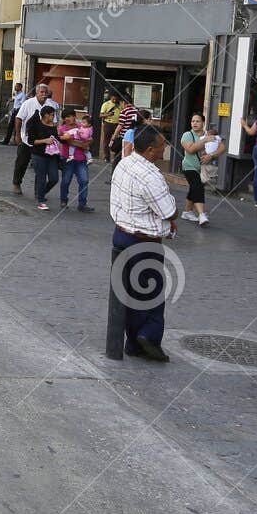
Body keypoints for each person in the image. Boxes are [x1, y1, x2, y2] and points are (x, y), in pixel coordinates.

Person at [109, 125, 177, 362]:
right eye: (161, 146)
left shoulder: (124, 163)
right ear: (149, 150)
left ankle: (134, 341)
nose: (164, 149)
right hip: (143, 241)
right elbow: (168, 211)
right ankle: (147, 335)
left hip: (121, 235)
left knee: (129, 292)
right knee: (150, 293)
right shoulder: (150, 175)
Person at [11, 83, 54, 195]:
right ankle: (16, 183)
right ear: (36, 93)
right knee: (22, 162)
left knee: (40, 167)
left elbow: (54, 122)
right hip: (27, 139)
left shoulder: (50, 105)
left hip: (42, 141)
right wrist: (17, 135)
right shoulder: (28, 103)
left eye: (45, 93)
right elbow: (19, 118)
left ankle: (38, 189)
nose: (44, 95)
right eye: (41, 92)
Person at [25, 103, 62, 211]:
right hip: (39, 155)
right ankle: (41, 200)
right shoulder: (36, 125)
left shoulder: (54, 127)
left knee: (54, 178)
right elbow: (31, 141)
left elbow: (58, 139)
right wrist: (45, 141)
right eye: (51, 115)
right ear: (45, 115)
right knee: (41, 177)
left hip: (53, 156)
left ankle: (42, 192)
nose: (52, 117)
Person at [57, 107, 95, 212]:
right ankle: (63, 200)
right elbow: (69, 142)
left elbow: (90, 139)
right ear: (64, 119)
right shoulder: (62, 129)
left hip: (81, 159)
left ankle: (82, 203)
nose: (71, 118)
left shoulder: (82, 126)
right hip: (67, 158)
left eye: (72, 116)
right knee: (66, 180)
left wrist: (87, 144)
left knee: (84, 180)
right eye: (67, 117)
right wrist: (83, 145)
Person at [179, 113, 210, 226]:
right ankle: (202, 214)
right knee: (198, 186)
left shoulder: (207, 134)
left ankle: (187, 212)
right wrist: (205, 140)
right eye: (193, 121)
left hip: (202, 169)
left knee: (194, 188)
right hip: (189, 167)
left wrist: (211, 155)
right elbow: (190, 149)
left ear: (203, 123)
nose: (195, 123)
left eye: (197, 121)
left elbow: (222, 147)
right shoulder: (187, 135)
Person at [111, 92, 139, 161]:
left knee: (118, 158)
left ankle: (116, 171)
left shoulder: (124, 111)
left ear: (123, 102)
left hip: (125, 137)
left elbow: (120, 126)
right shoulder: (137, 110)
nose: (121, 105)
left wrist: (113, 138)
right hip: (135, 137)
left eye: (120, 103)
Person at [99, 90, 122, 164]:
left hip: (117, 124)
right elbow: (101, 115)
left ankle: (116, 156)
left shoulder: (120, 105)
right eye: (113, 99)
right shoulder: (106, 104)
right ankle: (107, 157)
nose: (114, 100)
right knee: (106, 141)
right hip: (108, 124)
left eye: (116, 99)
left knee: (118, 140)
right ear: (110, 97)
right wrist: (108, 114)